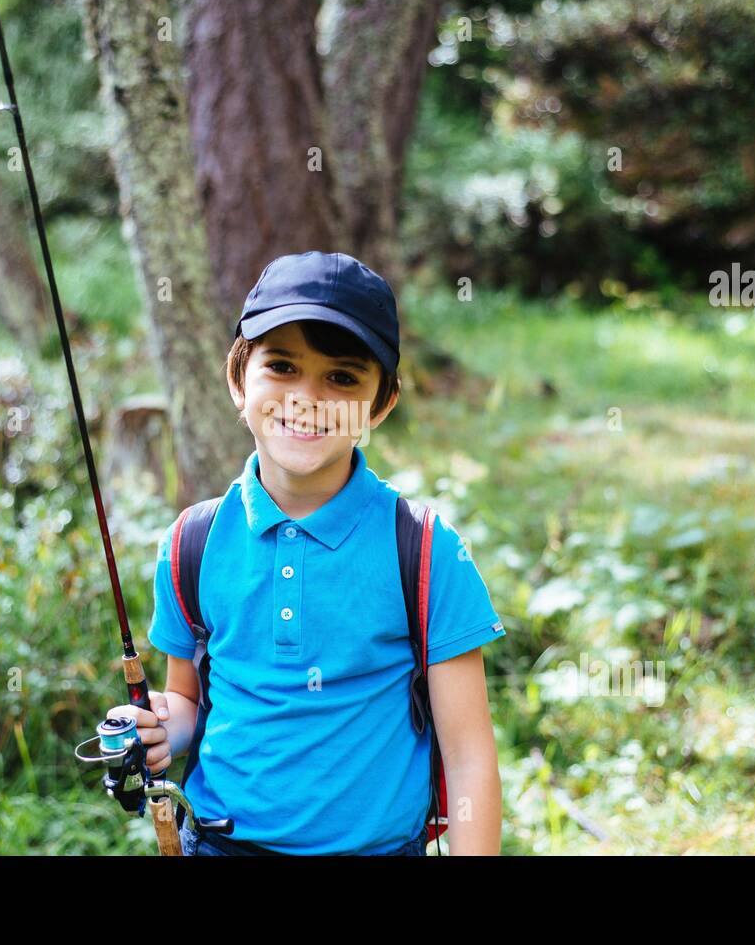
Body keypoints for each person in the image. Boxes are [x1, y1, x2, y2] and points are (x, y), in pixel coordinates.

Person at [107, 251, 506, 855]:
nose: (307, 397)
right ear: (239, 381)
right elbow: (189, 699)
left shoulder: (424, 550)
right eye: (282, 366)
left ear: (382, 404)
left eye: (342, 377)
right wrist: (161, 730)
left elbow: (470, 756)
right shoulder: (192, 541)